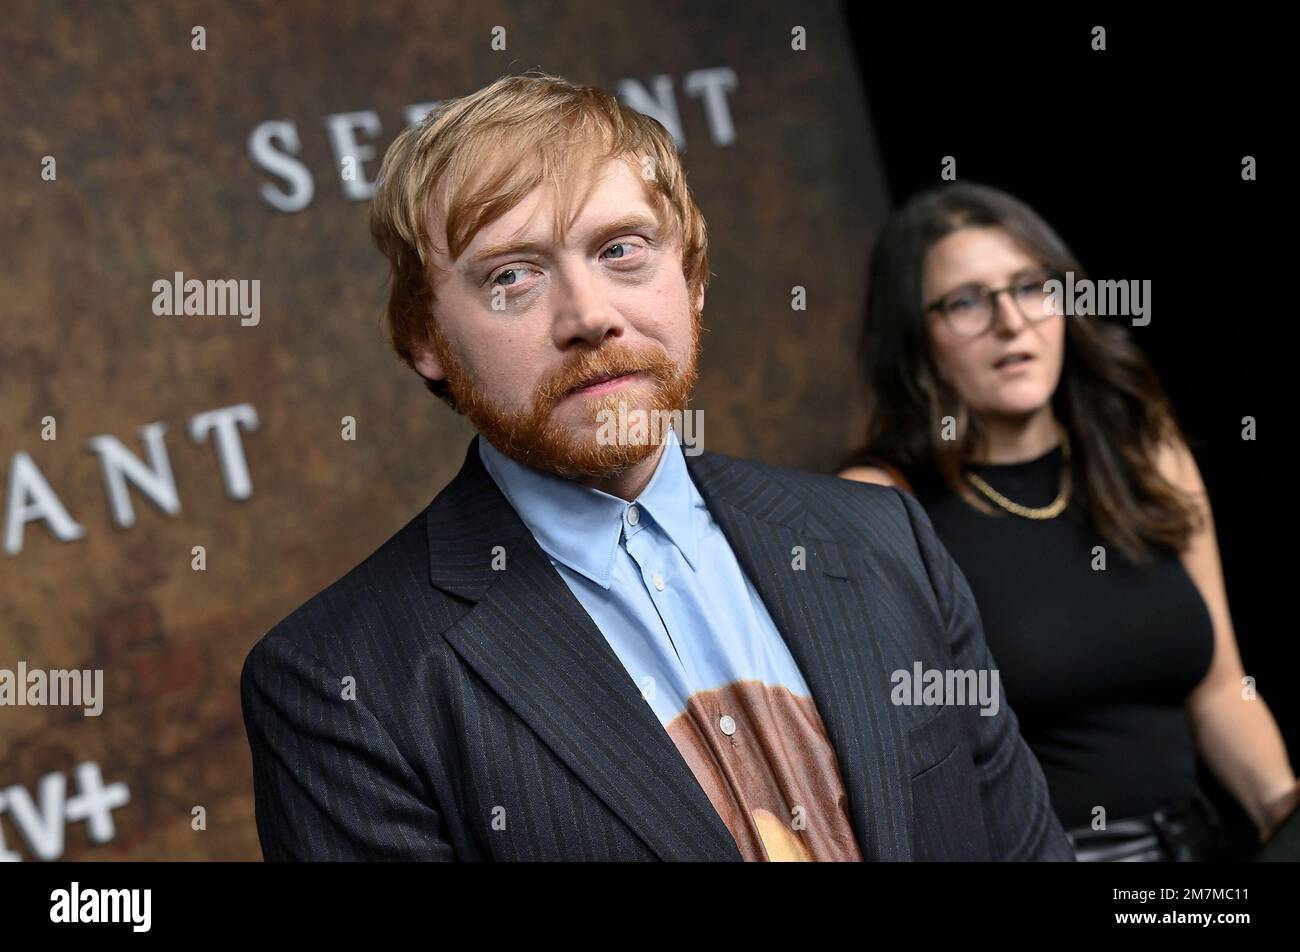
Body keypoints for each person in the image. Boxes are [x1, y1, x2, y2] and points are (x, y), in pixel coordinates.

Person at [240, 74, 1072, 861]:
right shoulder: (338, 681)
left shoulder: (881, 537)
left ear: (695, 275)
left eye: (622, 249)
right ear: (425, 339)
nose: (590, 316)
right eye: (511, 276)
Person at [838, 182, 1298, 860]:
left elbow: (1221, 689)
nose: (1011, 322)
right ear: (914, 336)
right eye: (966, 302)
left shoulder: (1148, 456)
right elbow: (897, 768)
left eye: (1031, 287)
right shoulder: (881, 503)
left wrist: (1284, 812)